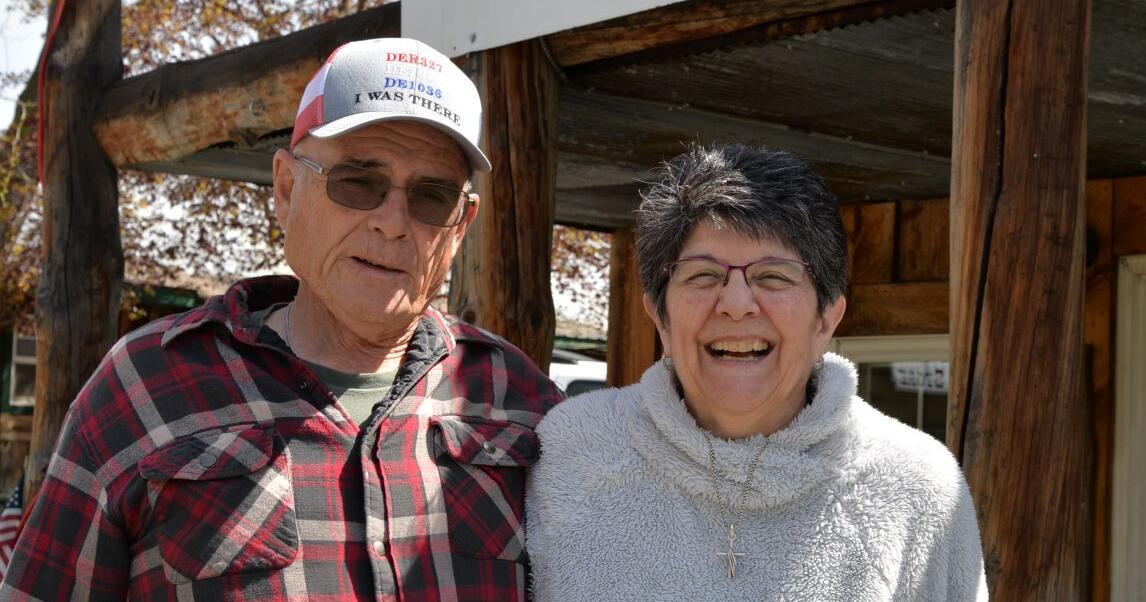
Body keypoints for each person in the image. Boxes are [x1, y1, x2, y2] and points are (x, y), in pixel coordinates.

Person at [1, 37, 562, 600]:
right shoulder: (145, 387)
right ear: (288, 190)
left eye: (431, 197)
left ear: (460, 227)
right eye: (358, 182)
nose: (393, 222)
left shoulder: (521, 401)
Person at [526, 144, 987, 600]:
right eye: (703, 276)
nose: (737, 304)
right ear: (660, 317)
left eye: (774, 277)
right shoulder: (571, 453)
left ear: (827, 318)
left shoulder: (916, 485)